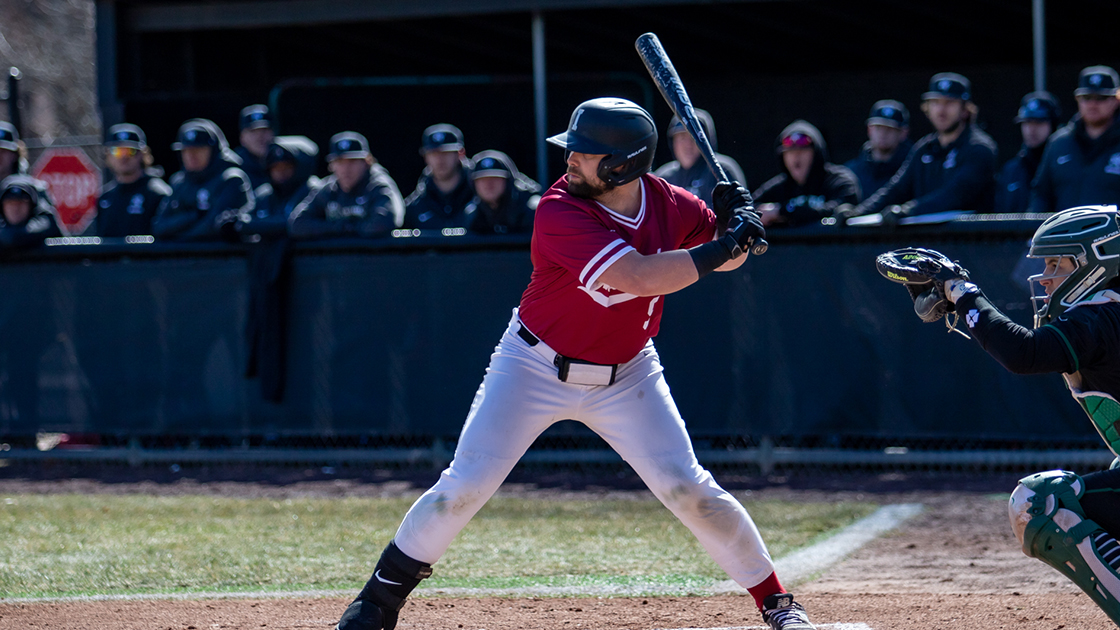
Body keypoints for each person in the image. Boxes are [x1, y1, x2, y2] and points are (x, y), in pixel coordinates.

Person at [332, 98, 817, 630]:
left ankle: (776, 602)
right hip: (533, 364)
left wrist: (736, 224)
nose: (570, 161)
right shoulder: (559, 209)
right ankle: (378, 600)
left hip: (627, 371)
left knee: (688, 487)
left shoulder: (670, 204)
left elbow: (734, 255)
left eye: (583, 154)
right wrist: (726, 243)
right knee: (463, 485)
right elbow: (640, 276)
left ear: (621, 164)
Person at [901, 206, 1120, 626]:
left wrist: (961, 291)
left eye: (1058, 263)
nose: (1046, 276)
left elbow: (1025, 353)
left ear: (1097, 262)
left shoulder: (1102, 314)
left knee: (1040, 503)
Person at [841, 72, 998, 224]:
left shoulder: (979, 148)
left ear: (965, 109)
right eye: (936, 103)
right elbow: (895, 190)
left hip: (971, 243)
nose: (941, 110)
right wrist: (856, 213)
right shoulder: (924, 147)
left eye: (949, 103)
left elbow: (955, 195)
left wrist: (908, 210)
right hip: (927, 243)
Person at [237, 136, 320, 402]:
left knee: (312, 354)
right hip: (269, 291)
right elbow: (243, 222)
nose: (280, 172)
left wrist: (264, 227)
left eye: (287, 166)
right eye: (275, 167)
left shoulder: (315, 191)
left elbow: (296, 224)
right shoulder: (264, 195)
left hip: (313, 293)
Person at [1030, 66, 1120, 214]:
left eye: (1101, 98)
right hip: (1065, 235)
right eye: (1086, 98)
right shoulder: (1059, 143)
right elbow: (1041, 195)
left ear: (1116, 101)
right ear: (1077, 99)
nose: (1092, 104)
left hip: (1113, 236)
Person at [151, 118, 254, 242]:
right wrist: (193, 215)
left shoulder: (231, 179)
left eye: (199, 149)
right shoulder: (179, 182)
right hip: (182, 258)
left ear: (213, 151)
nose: (191, 156)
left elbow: (212, 227)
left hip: (224, 258)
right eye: (186, 150)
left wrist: (178, 240)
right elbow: (159, 227)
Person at [288, 132, 404, 239]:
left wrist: (345, 228)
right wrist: (342, 227)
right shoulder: (329, 188)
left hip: (376, 258)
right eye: (340, 162)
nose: (346, 169)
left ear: (367, 162)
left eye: (353, 161)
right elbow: (297, 224)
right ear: (331, 165)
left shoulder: (378, 185)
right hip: (341, 259)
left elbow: (384, 223)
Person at [752, 120, 860, 228]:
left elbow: (842, 211)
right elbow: (749, 208)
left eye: (802, 151)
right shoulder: (781, 185)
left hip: (831, 243)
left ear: (816, 153)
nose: (796, 157)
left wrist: (783, 212)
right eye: (790, 152)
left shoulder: (839, 181)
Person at [653, 109, 745, 207]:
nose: (688, 145)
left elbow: (741, 213)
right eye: (682, 137)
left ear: (706, 141)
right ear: (673, 142)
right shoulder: (663, 178)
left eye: (694, 137)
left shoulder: (722, 171)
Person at [95, 123, 171, 237]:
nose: (124, 157)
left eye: (130, 151)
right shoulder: (105, 197)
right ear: (108, 155)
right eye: (117, 151)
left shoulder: (157, 194)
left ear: (142, 154)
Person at [995, 92, 1061, 214]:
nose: (1031, 130)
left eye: (1038, 123)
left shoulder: (1062, 166)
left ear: (1053, 124)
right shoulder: (1011, 170)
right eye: (1027, 123)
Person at [403, 124, 474, 230]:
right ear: (425, 156)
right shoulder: (414, 207)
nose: (440, 159)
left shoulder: (480, 197)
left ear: (460, 154)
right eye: (433, 153)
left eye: (446, 152)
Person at [844, 100, 913, 198]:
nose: (883, 134)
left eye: (890, 129)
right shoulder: (850, 172)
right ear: (869, 129)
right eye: (878, 128)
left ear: (903, 133)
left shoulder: (912, 171)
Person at [464, 150, 539, 235]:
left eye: (495, 178)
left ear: (508, 181)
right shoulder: (472, 215)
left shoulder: (531, 211)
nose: (489, 184)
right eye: (482, 180)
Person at [0, 175, 63, 249]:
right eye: (10, 203)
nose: (15, 208)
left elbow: (13, 237)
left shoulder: (46, 224)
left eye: (21, 203)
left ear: (32, 206)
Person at [235, 104, 275, 192]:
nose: (260, 137)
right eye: (253, 131)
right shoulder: (235, 166)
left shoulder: (284, 162)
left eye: (264, 130)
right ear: (242, 137)